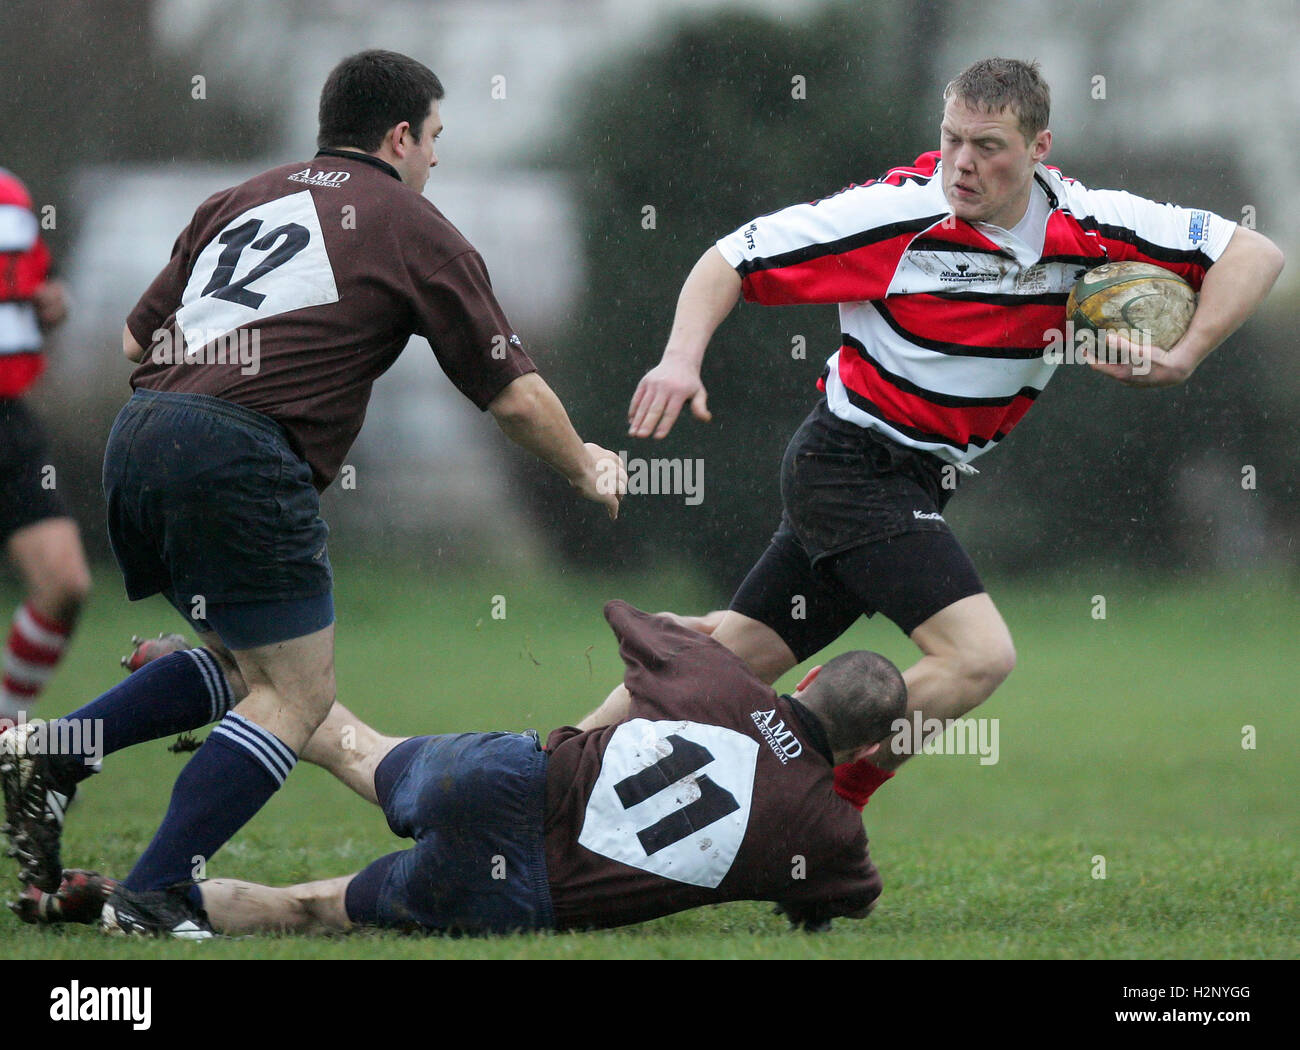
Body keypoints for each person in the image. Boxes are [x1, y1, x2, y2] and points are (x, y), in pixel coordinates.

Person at [0, 50, 625, 898]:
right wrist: (587, 465)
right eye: (436, 136)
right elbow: (513, 399)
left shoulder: (239, 197)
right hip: (236, 454)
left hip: (141, 434)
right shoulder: (410, 223)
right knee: (296, 696)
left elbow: (132, 345)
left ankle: (51, 753)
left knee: (238, 667)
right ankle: (152, 897)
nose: (437, 158)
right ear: (400, 135)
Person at [597, 57, 1284, 806]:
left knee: (725, 664)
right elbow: (729, 258)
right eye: (953, 138)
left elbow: (1254, 253)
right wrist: (678, 360)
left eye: (988, 146)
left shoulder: (1089, 224)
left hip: (917, 480)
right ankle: (817, 798)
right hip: (850, 463)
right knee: (978, 658)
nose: (963, 163)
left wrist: (1183, 356)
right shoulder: (893, 216)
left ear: (1038, 148)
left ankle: (552, 771)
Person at [20, 601, 906, 937]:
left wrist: (697, 633)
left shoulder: (719, 677)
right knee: (316, 908)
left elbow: (632, 616)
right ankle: (128, 906)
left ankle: (212, 672)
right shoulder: (831, 836)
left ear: (811, 677)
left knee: (342, 739)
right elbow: (845, 898)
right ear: (865, 752)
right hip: (526, 889)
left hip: (507, 778)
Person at [0, 167, 92, 731]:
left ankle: (7, 729)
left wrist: (56, 300)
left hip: (9, 418)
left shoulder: (11, 194)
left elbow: (41, 283)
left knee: (65, 583)